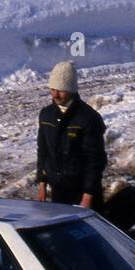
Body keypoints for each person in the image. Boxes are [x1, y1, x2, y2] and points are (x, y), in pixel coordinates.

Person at [36, 61, 106, 208]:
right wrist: (42, 182)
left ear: (72, 89)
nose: (55, 94)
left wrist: (88, 195)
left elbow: (94, 160)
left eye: (61, 90)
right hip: (58, 190)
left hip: (81, 190)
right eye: (52, 89)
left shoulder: (88, 118)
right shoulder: (46, 115)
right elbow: (43, 151)